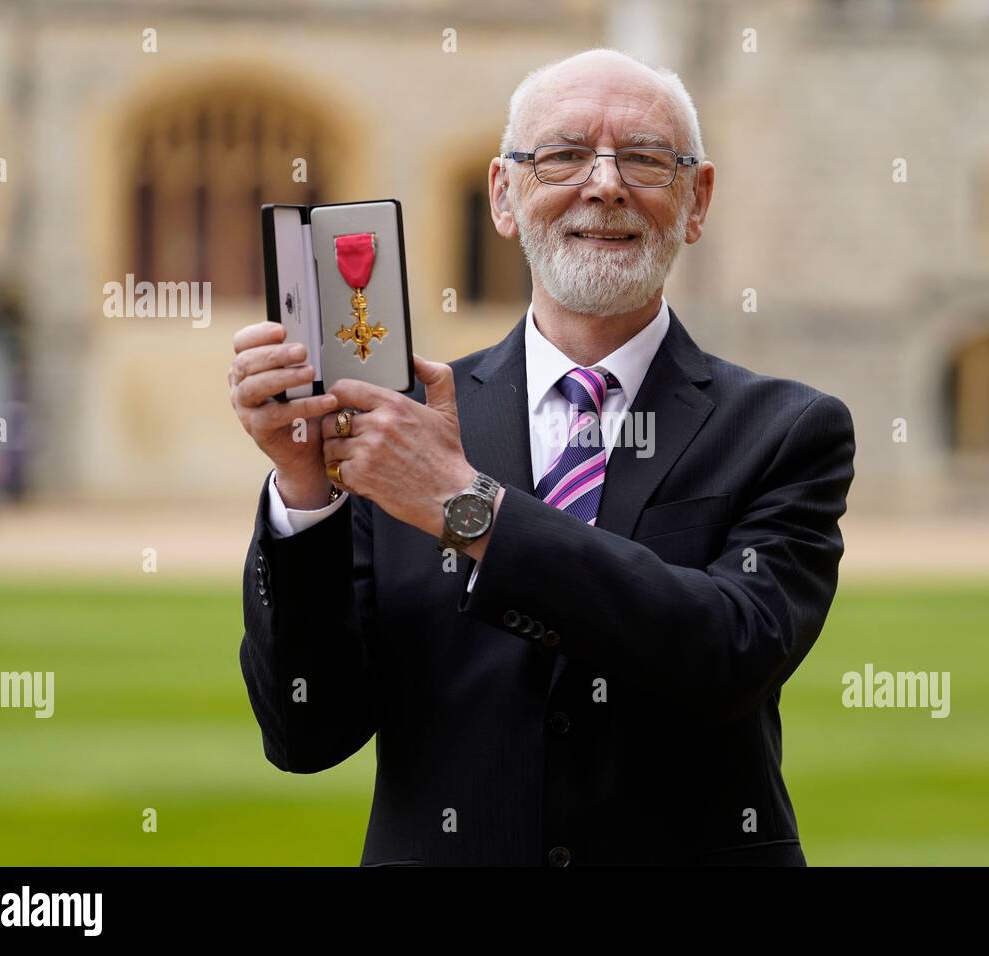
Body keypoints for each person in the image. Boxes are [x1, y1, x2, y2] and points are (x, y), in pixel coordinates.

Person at [228, 47, 855, 866]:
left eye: (645, 159)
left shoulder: (786, 429)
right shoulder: (396, 431)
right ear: (503, 194)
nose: (603, 184)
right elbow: (306, 732)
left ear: (697, 200)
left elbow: (727, 655)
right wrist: (305, 490)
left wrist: (469, 507)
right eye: (561, 156)